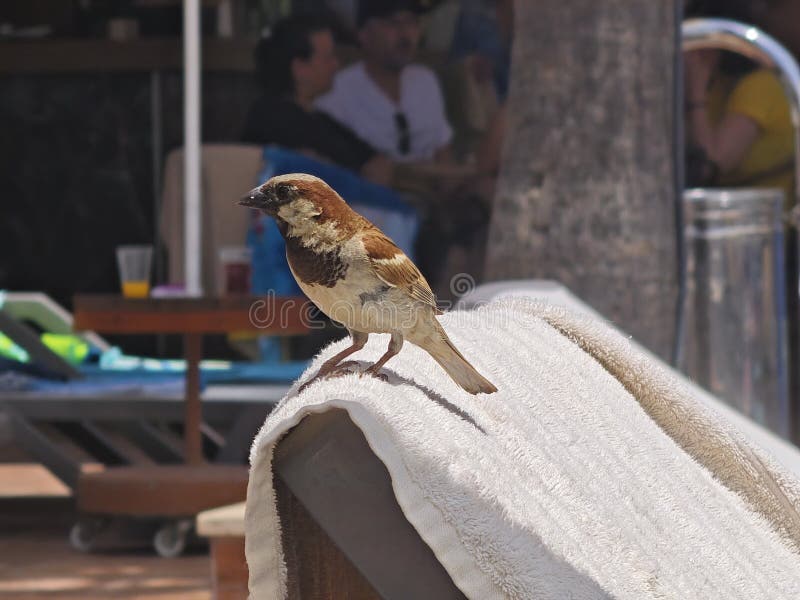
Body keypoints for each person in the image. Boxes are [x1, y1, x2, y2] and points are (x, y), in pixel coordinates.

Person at [241, 14, 392, 185]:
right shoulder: (270, 118)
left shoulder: (321, 120)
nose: (336, 64)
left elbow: (376, 163)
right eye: (328, 57)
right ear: (300, 68)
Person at [684, 0, 795, 207]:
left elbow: (709, 165)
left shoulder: (761, 86)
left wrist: (695, 90)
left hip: (759, 223)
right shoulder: (717, 85)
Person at [315, 0, 454, 163]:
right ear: (364, 34)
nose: (405, 33)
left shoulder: (426, 80)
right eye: (393, 23)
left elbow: (443, 149)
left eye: (412, 22)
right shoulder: (336, 93)